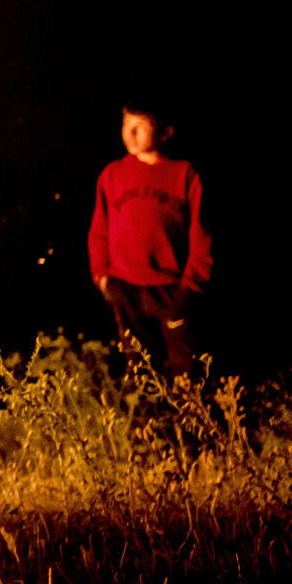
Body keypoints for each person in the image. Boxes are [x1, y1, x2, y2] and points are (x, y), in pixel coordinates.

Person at [88, 103, 211, 378]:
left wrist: (191, 284)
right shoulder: (112, 175)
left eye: (140, 127)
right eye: (126, 125)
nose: (129, 134)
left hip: (172, 286)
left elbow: (202, 234)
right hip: (126, 285)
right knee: (139, 365)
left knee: (185, 365)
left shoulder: (184, 174)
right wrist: (103, 277)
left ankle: (189, 406)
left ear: (166, 132)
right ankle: (144, 406)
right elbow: (98, 230)